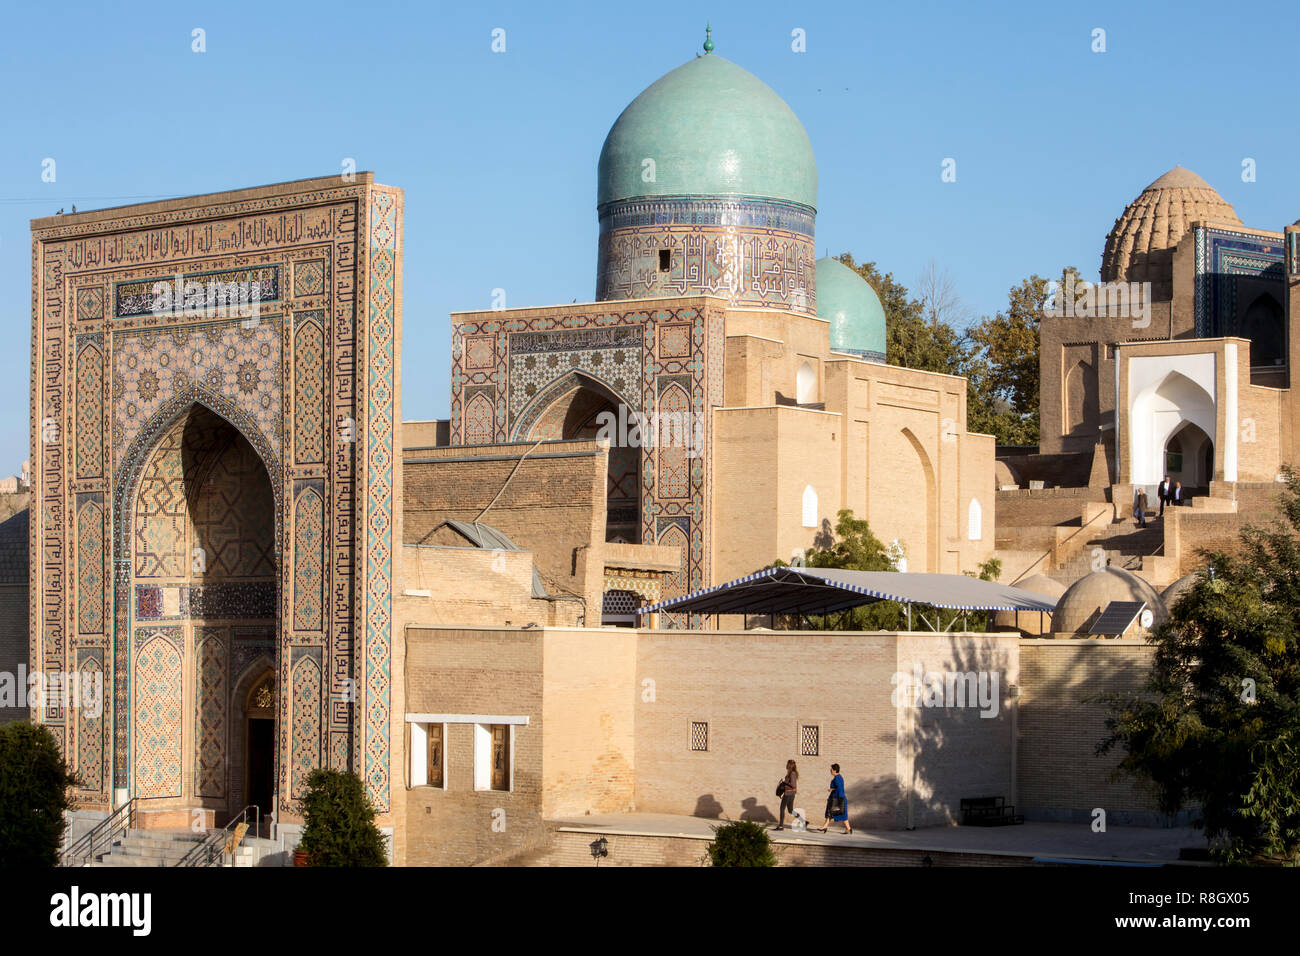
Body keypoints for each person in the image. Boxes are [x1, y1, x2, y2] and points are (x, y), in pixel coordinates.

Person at [816, 763, 851, 834]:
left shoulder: (837, 778)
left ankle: (825, 826)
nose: (830, 770)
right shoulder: (839, 777)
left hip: (837, 799)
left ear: (835, 770)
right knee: (840, 813)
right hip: (840, 798)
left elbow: (839, 789)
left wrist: (832, 790)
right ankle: (848, 828)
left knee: (831, 812)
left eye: (831, 769)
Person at [774, 759, 798, 831]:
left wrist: (784, 781)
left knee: (782, 808)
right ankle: (803, 821)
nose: (786, 765)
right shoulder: (791, 773)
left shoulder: (792, 773)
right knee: (790, 810)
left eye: (787, 764)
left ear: (789, 765)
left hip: (788, 794)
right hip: (791, 793)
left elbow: (793, 785)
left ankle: (781, 826)